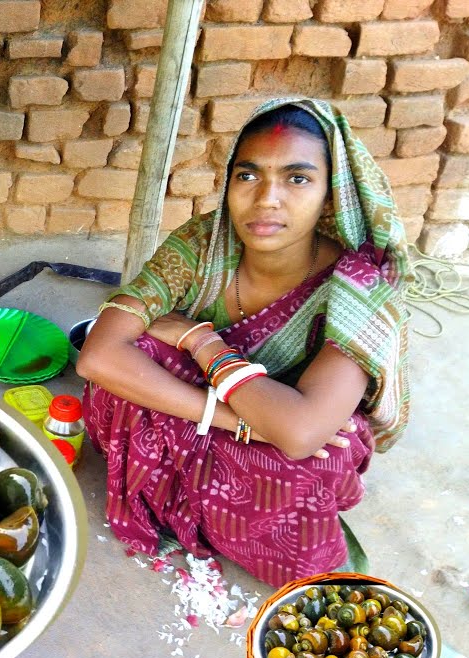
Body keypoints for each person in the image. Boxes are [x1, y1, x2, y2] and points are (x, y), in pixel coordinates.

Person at [75, 98, 410, 587]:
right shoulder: (203, 244)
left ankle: (209, 509)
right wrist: (238, 422)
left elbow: (298, 432)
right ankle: (185, 495)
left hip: (281, 432)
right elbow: (98, 356)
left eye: (298, 179)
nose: (267, 199)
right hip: (226, 412)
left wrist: (201, 342)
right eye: (248, 176)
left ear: (330, 195)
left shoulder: (356, 285)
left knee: (323, 456)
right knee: (131, 364)